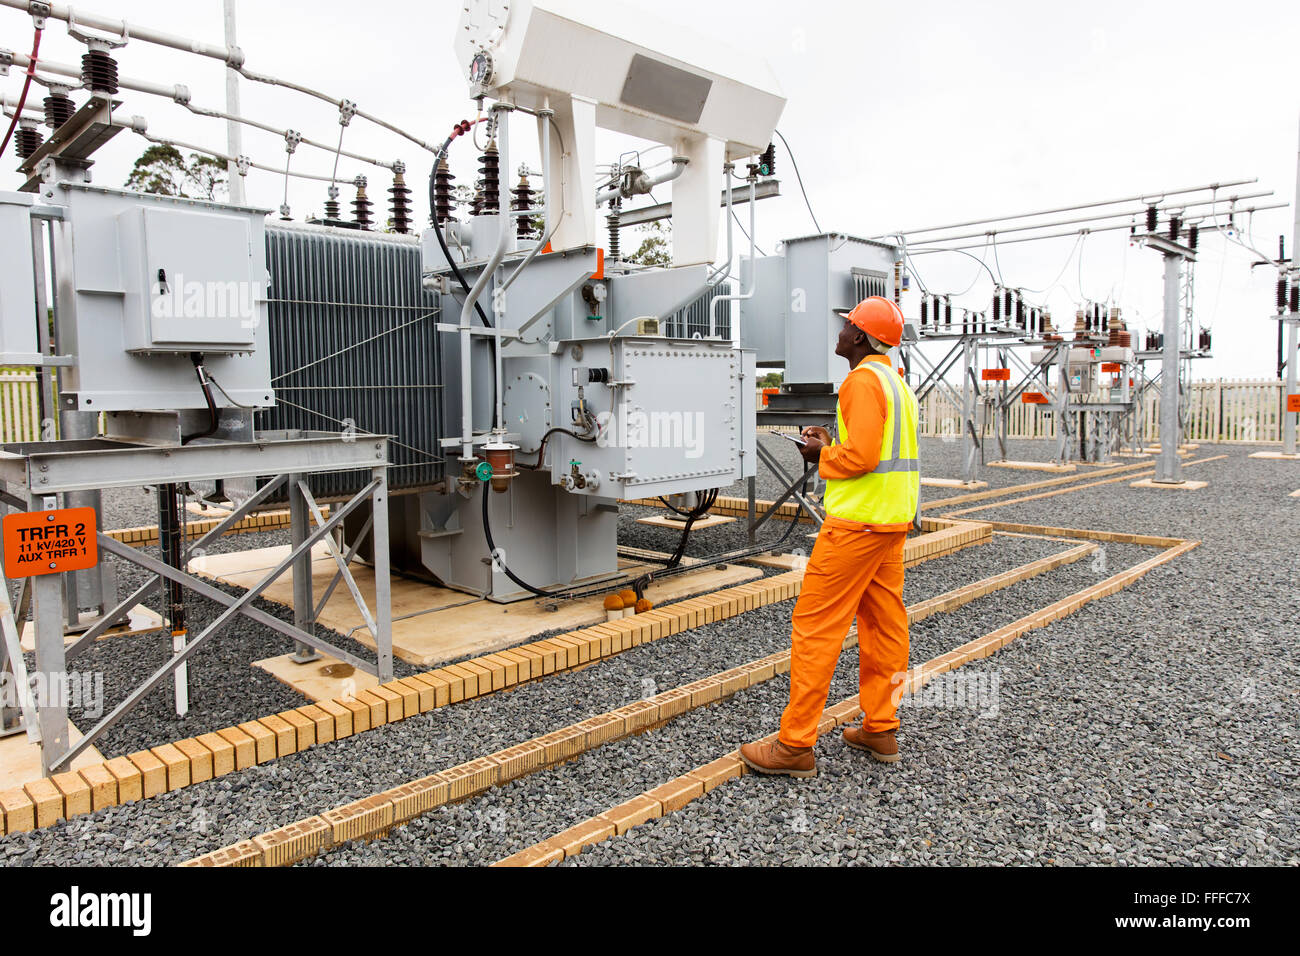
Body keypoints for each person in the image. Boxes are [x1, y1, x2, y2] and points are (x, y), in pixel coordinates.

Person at [740, 296, 920, 777]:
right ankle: (880, 727)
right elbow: (879, 452)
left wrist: (820, 456)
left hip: (856, 526)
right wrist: (830, 444)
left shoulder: (861, 382)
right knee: (884, 626)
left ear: (860, 338)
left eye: (846, 327)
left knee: (816, 627)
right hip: (890, 524)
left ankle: (795, 744)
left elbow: (860, 458)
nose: (839, 333)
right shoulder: (896, 383)